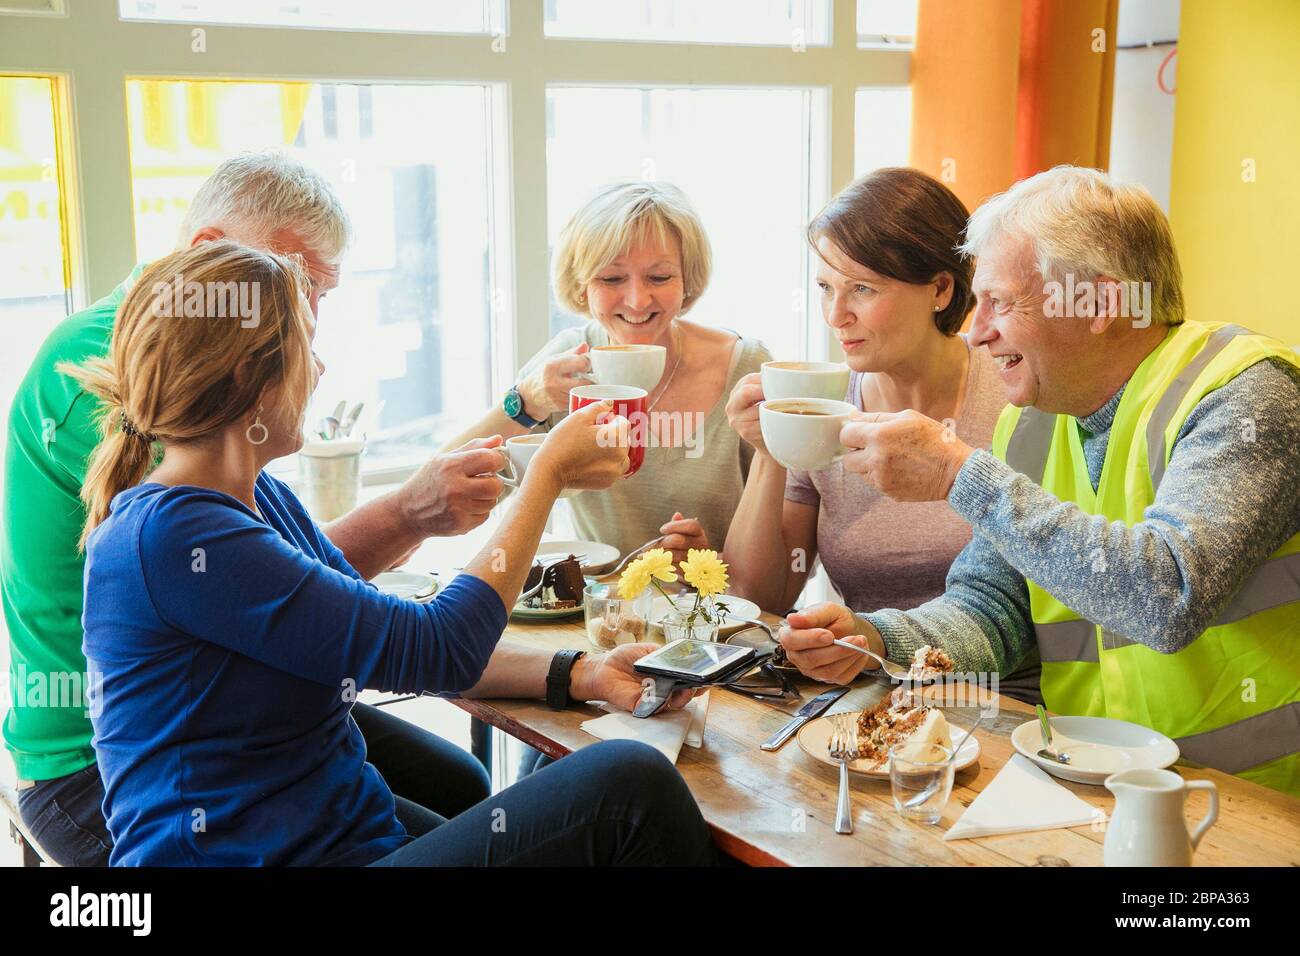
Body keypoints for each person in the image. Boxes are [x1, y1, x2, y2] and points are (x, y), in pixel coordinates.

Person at [71, 240, 715, 866]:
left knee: (474, 788)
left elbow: (394, 639)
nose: (319, 372)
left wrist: (583, 673)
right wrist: (545, 476)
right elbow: (441, 645)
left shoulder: (255, 499)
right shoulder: (179, 539)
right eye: (307, 350)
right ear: (249, 377)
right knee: (629, 785)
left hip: (340, 835)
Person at [6, 153, 508, 865]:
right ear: (213, 256)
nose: (309, 335)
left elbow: (291, 586)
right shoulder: (152, 377)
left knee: (457, 779)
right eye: (295, 289)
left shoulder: (216, 408)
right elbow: (259, 588)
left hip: (216, 700)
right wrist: (411, 513)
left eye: (314, 300)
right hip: (102, 764)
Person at [778, 166, 1300, 795]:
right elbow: (992, 611)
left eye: (999, 301)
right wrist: (870, 637)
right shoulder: (1030, 424)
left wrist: (956, 473)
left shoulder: (1249, 395)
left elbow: (1166, 595)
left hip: (1252, 800)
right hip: (1085, 778)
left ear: (1101, 303)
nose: (977, 330)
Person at [723, 167, 1006, 620]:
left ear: (940, 288)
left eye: (862, 289)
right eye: (824, 288)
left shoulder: (1012, 388)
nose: (835, 316)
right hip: (868, 676)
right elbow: (758, 599)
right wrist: (770, 447)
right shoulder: (819, 408)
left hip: (1000, 684)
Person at [446, 180, 772, 564]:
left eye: (660, 277)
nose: (637, 300)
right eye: (611, 278)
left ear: (687, 280)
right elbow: (445, 495)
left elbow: (777, 565)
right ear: (582, 287)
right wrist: (527, 400)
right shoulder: (565, 365)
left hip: (713, 614)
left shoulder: (745, 365)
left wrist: (712, 563)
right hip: (594, 614)